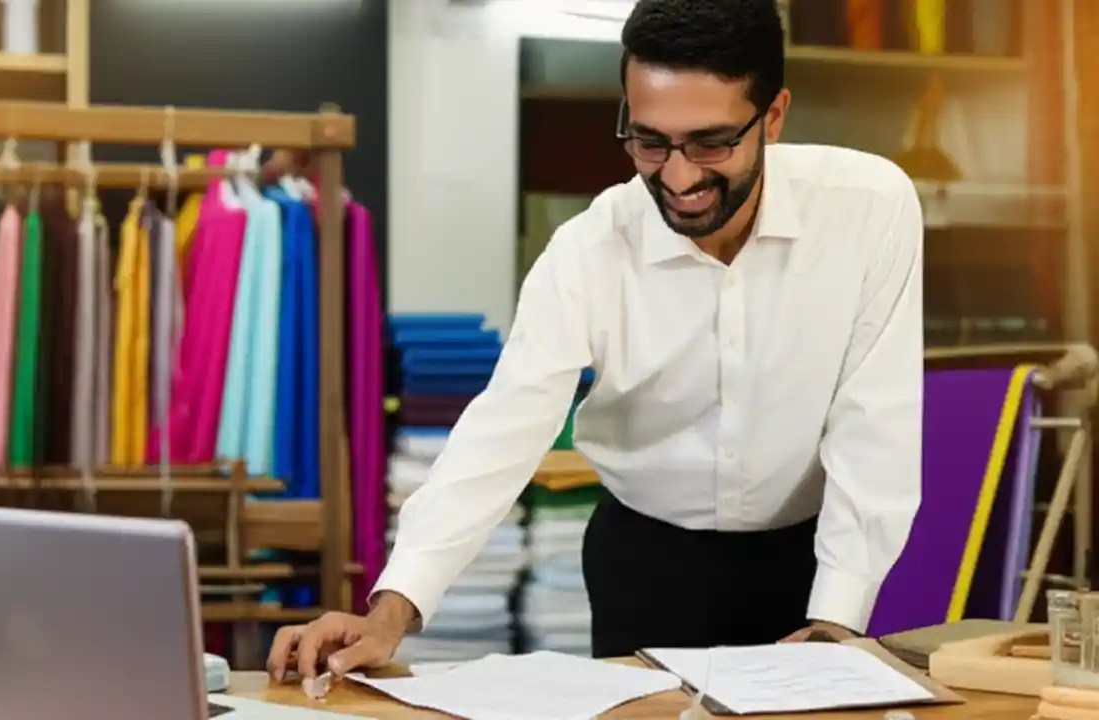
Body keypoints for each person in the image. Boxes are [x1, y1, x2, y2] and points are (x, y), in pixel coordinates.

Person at [268, 0, 923, 682]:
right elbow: (503, 429)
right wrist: (391, 611)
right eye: (650, 141)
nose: (678, 177)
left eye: (711, 143)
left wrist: (838, 615)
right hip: (646, 564)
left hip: (809, 559)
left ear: (775, 116)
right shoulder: (588, 249)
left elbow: (874, 422)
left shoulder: (869, 209)